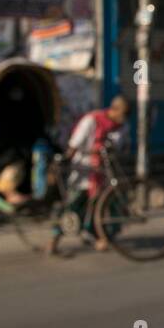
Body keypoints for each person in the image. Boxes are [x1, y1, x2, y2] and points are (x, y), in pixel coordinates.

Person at [46, 95, 129, 255]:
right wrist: (65, 160)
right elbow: (74, 146)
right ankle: (53, 241)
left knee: (108, 205)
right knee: (72, 206)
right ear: (114, 110)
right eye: (122, 114)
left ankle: (101, 237)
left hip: (103, 173)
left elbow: (120, 146)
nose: (123, 119)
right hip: (83, 171)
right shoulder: (91, 121)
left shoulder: (120, 126)